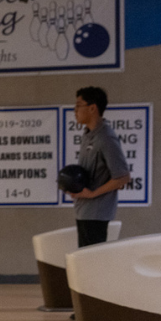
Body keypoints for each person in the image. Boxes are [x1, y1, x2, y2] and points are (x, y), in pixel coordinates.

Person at [66, 87, 130, 247]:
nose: (75, 110)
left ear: (92, 108)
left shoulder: (105, 137)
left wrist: (93, 193)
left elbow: (122, 177)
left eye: (78, 105)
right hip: (84, 210)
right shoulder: (88, 135)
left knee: (91, 263)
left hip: (96, 213)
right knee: (84, 261)